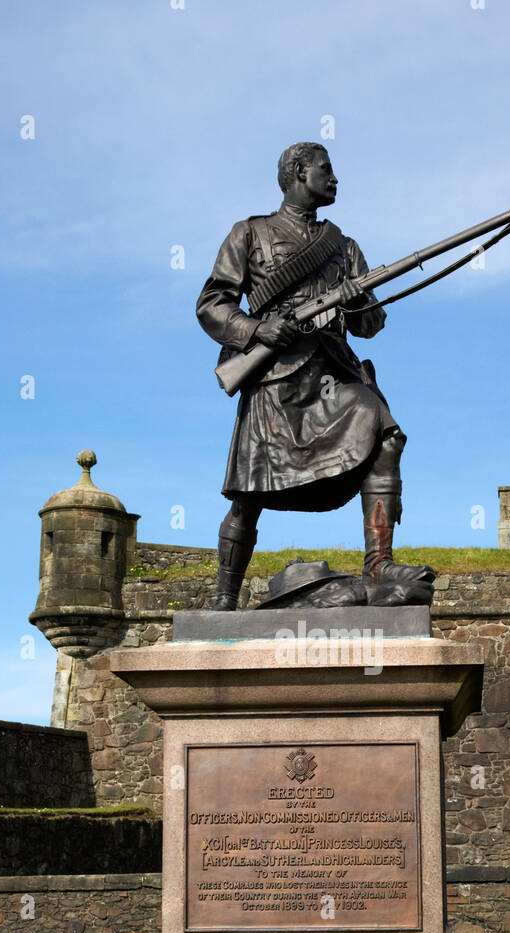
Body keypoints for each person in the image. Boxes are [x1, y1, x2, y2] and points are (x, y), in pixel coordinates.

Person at [196, 141, 434, 610]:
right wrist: (258, 327)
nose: (335, 178)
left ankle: (379, 564)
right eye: (326, 169)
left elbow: (370, 325)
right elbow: (212, 306)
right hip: (274, 377)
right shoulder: (250, 233)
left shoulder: (343, 247)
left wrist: (353, 302)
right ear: (299, 173)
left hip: (331, 376)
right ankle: (225, 598)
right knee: (249, 493)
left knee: (385, 434)